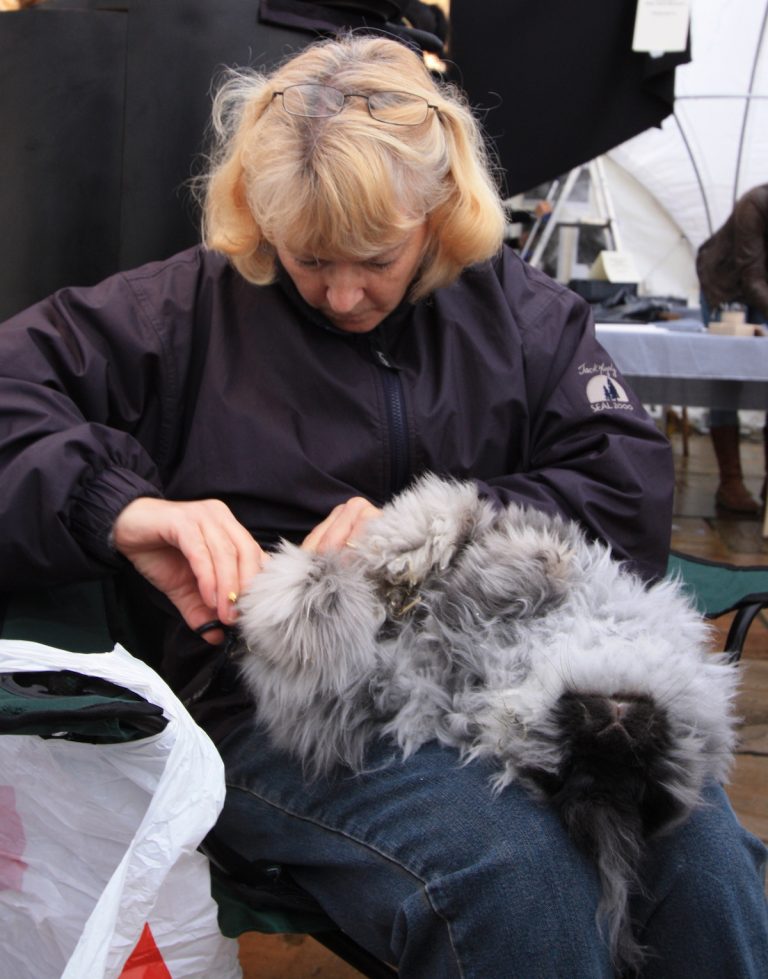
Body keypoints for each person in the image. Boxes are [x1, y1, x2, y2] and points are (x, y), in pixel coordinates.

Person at [1, 33, 766, 978]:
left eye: (374, 255)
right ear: (258, 213)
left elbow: (624, 490)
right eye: (309, 257)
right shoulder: (177, 316)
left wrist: (441, 529)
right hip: (280, 714)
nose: (343, 291)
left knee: (697, 853)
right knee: (513, 872)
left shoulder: (527, 319)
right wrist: (117, 504)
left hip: (519, 675)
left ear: (439, 210)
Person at [696, 183, 768, 514]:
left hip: (759, 289)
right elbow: (752, 277)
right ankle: (730, 482)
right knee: (725, 378)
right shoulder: (754, 204)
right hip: (726, 288)